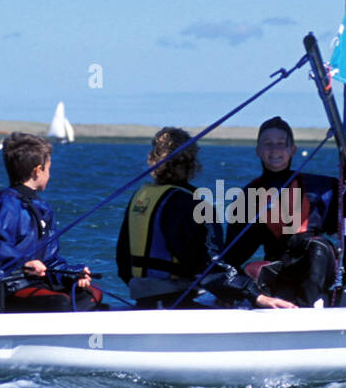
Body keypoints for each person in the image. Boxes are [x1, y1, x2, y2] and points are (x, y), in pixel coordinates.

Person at [117, 127, 295, 310]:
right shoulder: (192, 203)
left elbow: (123, 265)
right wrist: (255, 295)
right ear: (192, 163)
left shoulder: (139, 198)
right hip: (176, 304)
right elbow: (212, 267)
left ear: (153, 158)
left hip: (143, 302)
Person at [223, 116, 346, 307]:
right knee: (249, 271)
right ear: (258, 151)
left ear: (293, 150)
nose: (274, 150)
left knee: (318, 248)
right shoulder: (248, 196)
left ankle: (305, 308)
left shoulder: (321, 187)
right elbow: (233, 255)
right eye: (268, 144)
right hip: (279, 267)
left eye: (281, 144)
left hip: (316, 265)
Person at [0, 132, 102, 312]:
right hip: (5, 288)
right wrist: (22, 264)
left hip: (36, 284)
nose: (49, 174)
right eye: (48, 169)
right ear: (37, 171)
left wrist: (72, 274)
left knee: (92, 294)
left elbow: (50, 261)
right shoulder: (4, 204)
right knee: (59, 302)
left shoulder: (42, 208)